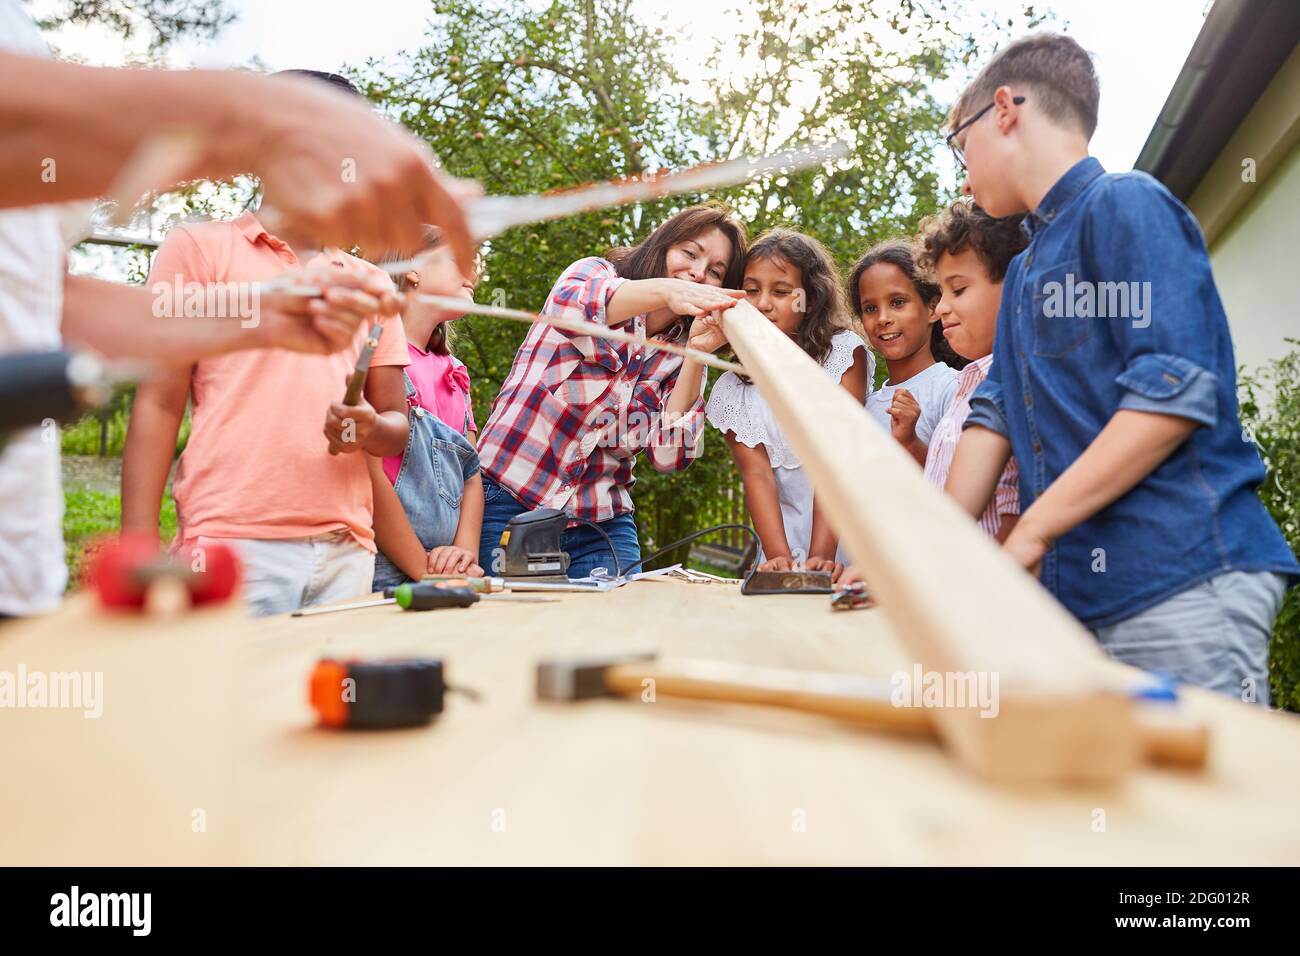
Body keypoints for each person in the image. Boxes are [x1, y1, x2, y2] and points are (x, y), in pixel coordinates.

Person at [944, 32, 1298, 701]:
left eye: (962, 144)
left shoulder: (1126, 203)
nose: (963, 174)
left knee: (1205, 805)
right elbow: (990, 416)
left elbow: (1173, 393)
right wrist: (920, 547)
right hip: (1081, 599)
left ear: (1005, 110)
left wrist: (1035, 530)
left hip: (1182, 579)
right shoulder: (1022, 273)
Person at [120, 72, 413, 618]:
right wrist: (136, 548)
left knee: (327, 703)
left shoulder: (370, 284)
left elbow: (397, 427)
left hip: (346, 549)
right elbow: (158, 402)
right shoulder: (198, 250)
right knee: (226, 701)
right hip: (230, 540)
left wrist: (369, 429)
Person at [476, 202, 747, 579]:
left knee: (617, 630)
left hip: (599, 524)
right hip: (506, 499)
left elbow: (669, 456)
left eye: (716, 271)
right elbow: (569, 311)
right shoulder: (594, 273)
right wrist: (668, 291)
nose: (699, 273)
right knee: (502, 627)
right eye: (689, 253)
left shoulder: (683, 351)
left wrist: (697, 354)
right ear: (663, 245)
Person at [706, 228, 870, 580]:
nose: (763, 303)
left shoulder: (841, 356)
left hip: (845, 539)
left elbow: (836, 459)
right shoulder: (734, 386)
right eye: (751, 291)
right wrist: (779, 556)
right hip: (781, 541)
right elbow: (758, 475)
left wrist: (822, 557)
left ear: (810, 297)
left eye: (781, 292)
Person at [370, 229, 485, 589]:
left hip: (447, 568)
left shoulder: (455, 372)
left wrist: (463, 554)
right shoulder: (378, 356)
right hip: (383, 563)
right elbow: (365, 473)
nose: (474, 273)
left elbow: (471, 475)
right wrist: (422, 568)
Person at [915, 200, 1026, 540]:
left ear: (1015, 286)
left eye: (959, 290)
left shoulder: (1017, 382)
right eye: (941, 291)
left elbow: (1015, 515)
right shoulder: (967, 382)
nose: (943, 307)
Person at [848, 241, 961, 466]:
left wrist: (910, 442)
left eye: (897, 303)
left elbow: (958, 484)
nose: (883, 318)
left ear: (932, 309)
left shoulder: (953, 388)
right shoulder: (864, 406)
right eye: (870, 308)